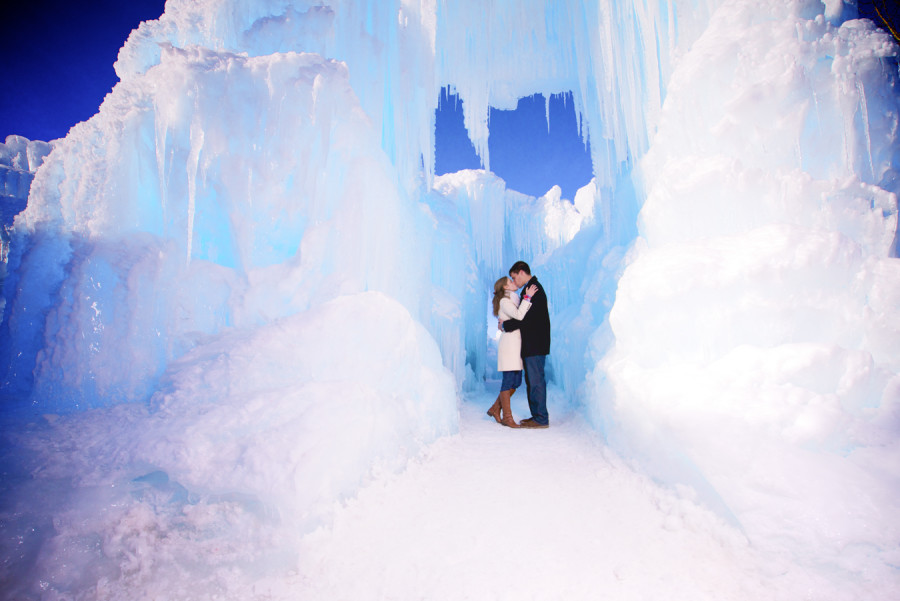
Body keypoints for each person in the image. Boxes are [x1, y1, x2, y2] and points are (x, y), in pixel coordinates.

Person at [500, 261, 550, 428]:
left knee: (536, 381)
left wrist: (505, 326)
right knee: (532, 381)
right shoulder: (530, 288)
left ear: (521, 272)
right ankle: (537, 415)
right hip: (533, 344)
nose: (515, 282)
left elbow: (524, 319)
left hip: (535, 344)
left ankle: (541, 418)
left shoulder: (533, 288)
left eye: (514, 277)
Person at [487, 277, 538, 428]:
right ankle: (507, 418)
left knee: (516, 381)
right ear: (505, 288)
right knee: (509, 380)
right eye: (510, 282)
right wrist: (527, 297)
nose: (514, 282)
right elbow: (519, 315)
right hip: (510, 345)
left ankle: (496, 408)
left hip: (515, 344)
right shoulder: (504, 300)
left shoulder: (512, 299)